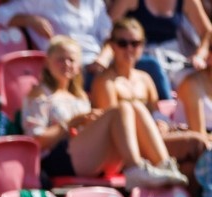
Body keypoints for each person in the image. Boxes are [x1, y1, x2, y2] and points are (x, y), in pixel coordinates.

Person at [22, 35, 186, 188]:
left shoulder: (80, 96)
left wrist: (89, 122)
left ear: (78, 66)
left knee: (135, 106)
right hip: (59, 160)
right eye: (60, 59)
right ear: (48, 62)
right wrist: (72, 123)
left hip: (86, 153)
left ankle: (164, 164)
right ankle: (134, 168)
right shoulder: (40, 94)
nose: (66, 64)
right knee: (121, 109)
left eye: (71, 60)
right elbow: (35, 141)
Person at [93, 17, 211, 176]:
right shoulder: (105, 82)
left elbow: (155, 114)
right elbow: (114, 127)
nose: (129, 49)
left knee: (190, 168)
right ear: (112, 45)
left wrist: (162, 124)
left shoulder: (145, 78)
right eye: (122, 43)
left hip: (153, 139)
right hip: (126, 148)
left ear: (142, 46)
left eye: (135, 43)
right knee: (196, 143)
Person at [107, 0, 210, 101]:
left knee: (195, 79)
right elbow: (107, 30)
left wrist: (199, 56)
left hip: (174, 60)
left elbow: (207, 32)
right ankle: (166, 105)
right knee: (153, 66)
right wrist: (106, 57)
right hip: (136, 55)